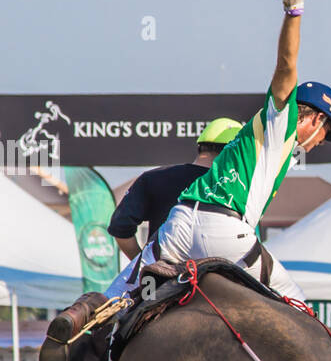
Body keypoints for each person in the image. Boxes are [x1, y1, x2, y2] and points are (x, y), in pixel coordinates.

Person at [41, 0, 331, 361]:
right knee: (301, 311)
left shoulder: (250, 142)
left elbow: (121, 232)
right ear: (315, 119)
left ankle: (75, 327)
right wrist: (294, 13)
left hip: (180, 224)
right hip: (228, 235)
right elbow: (286, 68)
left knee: (118, 297)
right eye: (327, 131)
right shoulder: (280, 124)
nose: (323, 141)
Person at [103, 117, 243, 297]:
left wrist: (146, 262)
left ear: (200, 148)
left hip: (156, 279)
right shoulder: (235, 189)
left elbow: (120, 230)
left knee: (116, 311)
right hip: (220, 285)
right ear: (232, 153)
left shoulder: (153, 178)